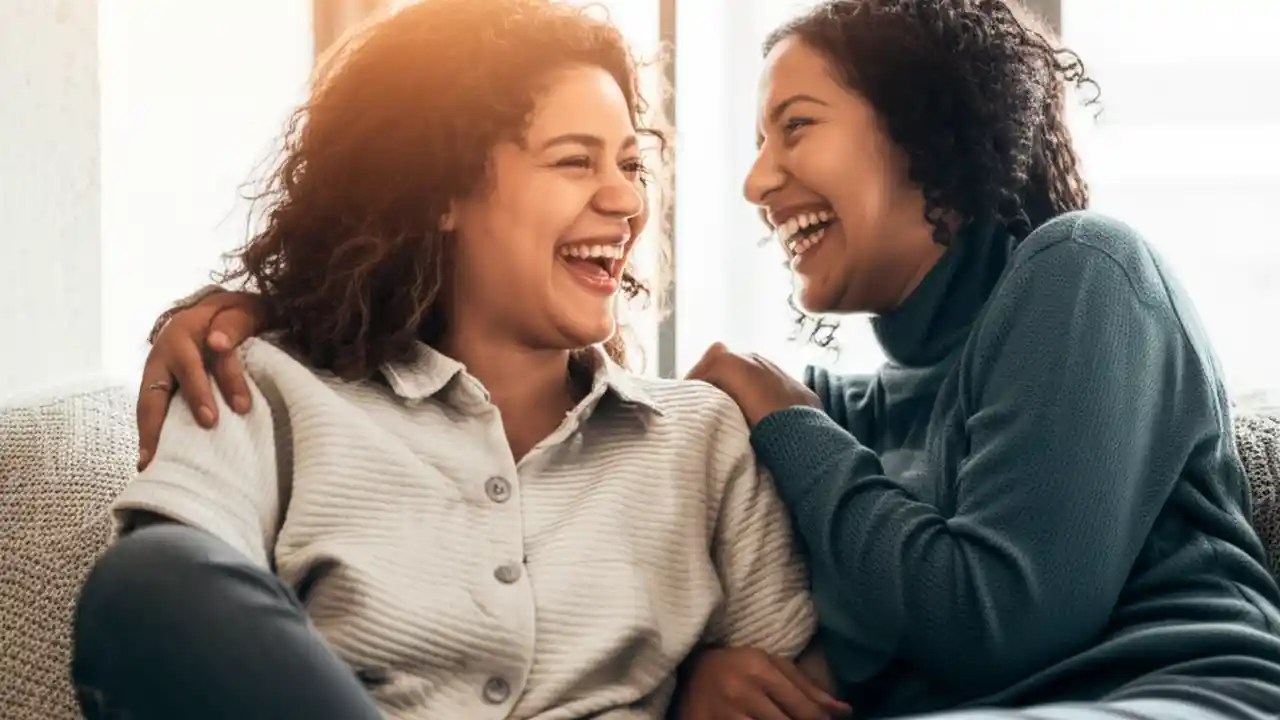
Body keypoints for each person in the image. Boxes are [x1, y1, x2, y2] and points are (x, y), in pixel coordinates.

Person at [129, 1, 1280, 719]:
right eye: (753, 140)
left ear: (921, 128)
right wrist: (269, 302)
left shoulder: (1083, 275)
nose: (750, 182)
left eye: (796, 127)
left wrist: (778, 420)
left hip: (1156, 698)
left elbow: (990, 619)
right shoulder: (828, 415)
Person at [70, 2, 840, 719]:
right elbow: (160, 612)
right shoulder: (265, 387)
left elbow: (805, 687)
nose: (628, 201)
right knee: (146, 579)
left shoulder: (700, 437)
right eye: (576, 161)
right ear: (441, 189)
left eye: (631, 166)